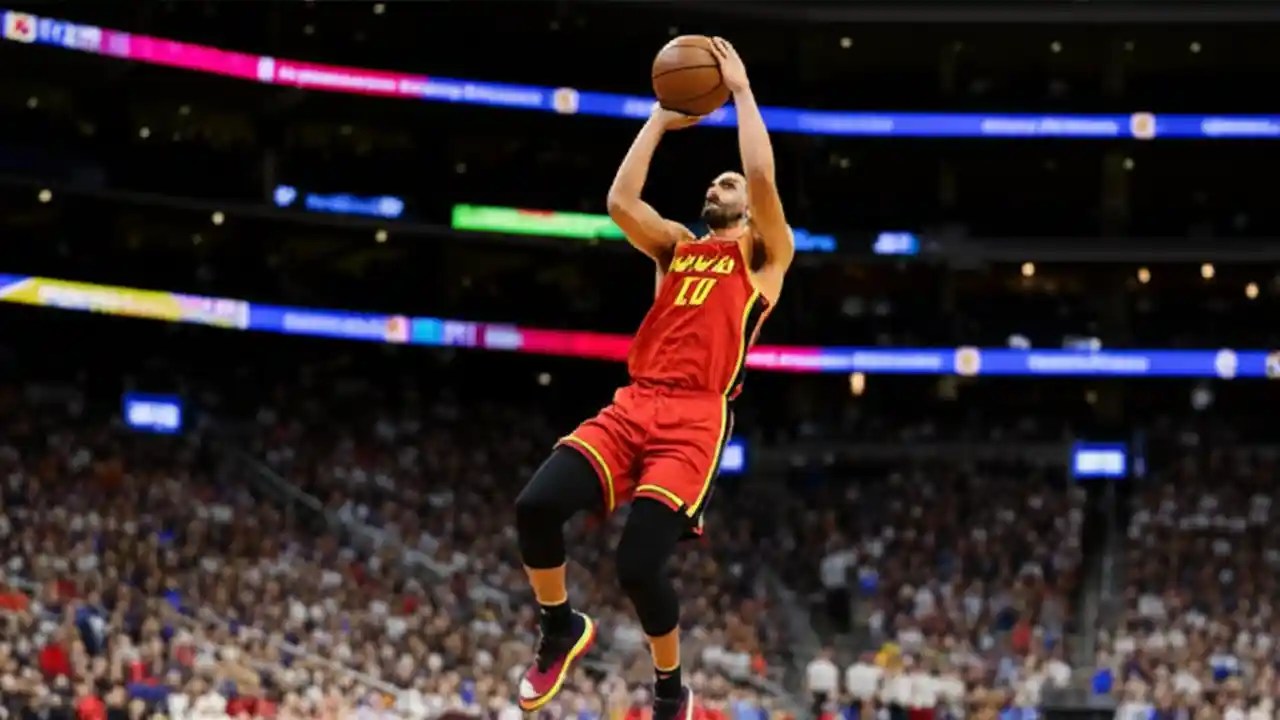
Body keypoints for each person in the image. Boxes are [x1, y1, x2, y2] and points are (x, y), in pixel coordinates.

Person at [513, 37, 795, 720]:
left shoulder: (765, 254)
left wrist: (742, 92)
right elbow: (619, 201)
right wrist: (662, 117)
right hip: (633, 402)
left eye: (726, 184)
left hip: (696, 418)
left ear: (751, 209)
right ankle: (560, 626)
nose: (718, 186)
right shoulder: (675, 249)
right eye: (714, 182)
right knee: (535, 507)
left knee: (638, 566)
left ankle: (671, 689)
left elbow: (761, 176)